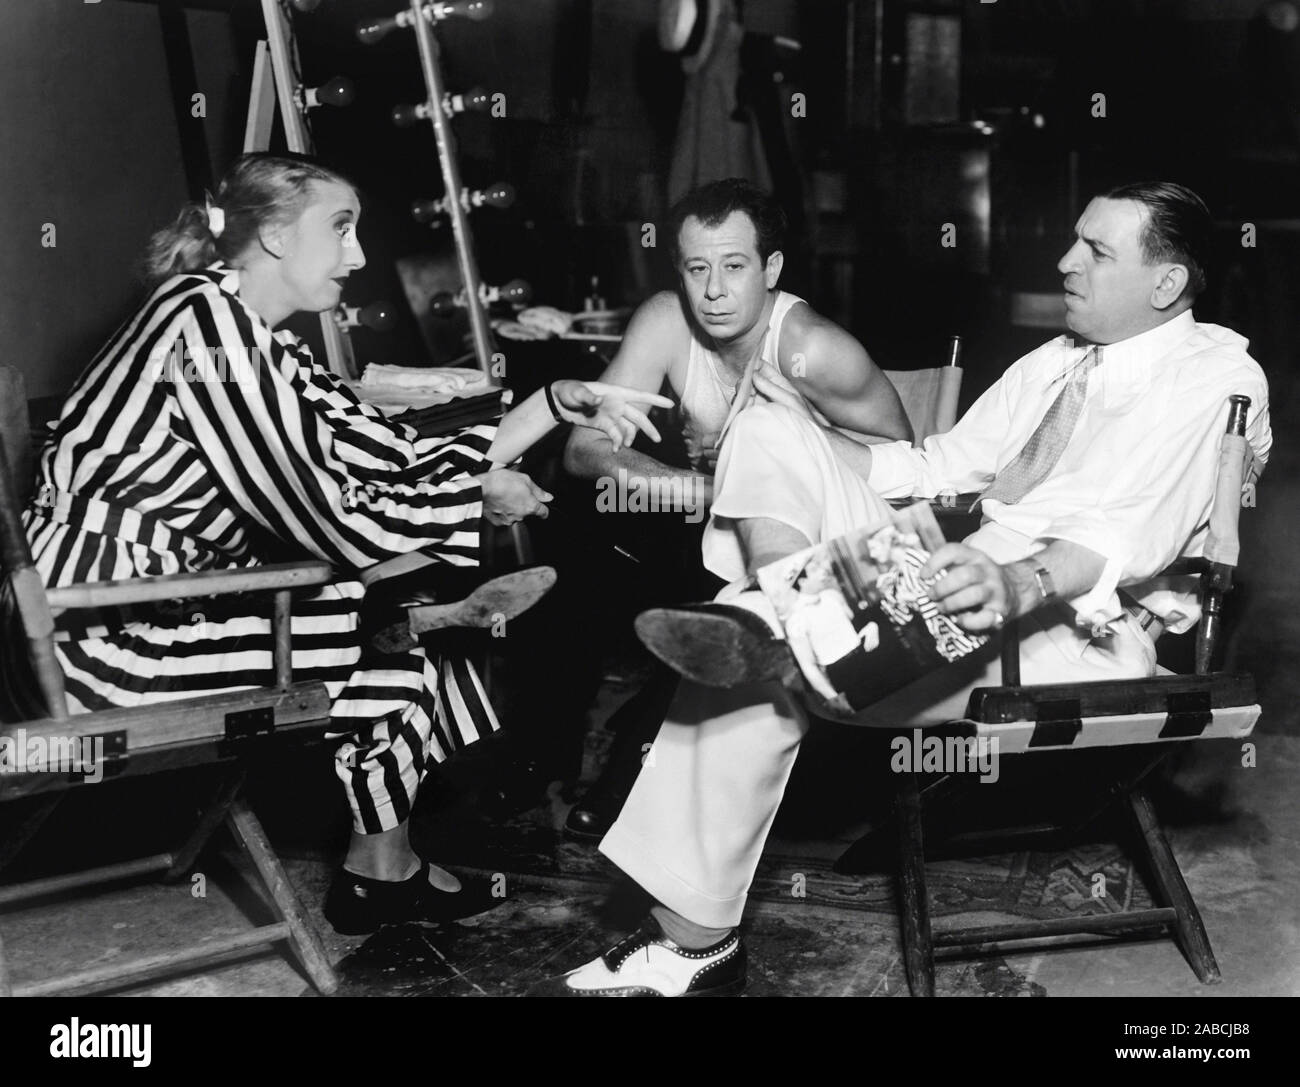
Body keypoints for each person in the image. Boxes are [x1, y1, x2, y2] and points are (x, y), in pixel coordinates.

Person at [541, 181, 1272, 995]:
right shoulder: (1057, 361)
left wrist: (1014, 580)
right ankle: (788, 609)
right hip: (958, 584)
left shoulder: (1215, 377)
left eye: (1095, 251)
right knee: (767, 425)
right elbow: (937, 466)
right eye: (1075, 240)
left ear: (1166, 283)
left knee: (750, 663)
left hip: (1074, 627)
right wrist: (813, 443)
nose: (1065, 262)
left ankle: (694, 940)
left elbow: (1129, 539)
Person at [13, 152, 669, 935]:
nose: (359, 256)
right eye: (342, 228)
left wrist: (555, 403)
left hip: (138, 610)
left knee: (393, 622)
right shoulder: (204, 329)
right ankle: (381, 867)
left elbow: (386, 449)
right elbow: (324, 510)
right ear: (279, 236)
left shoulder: (251, 336)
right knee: (387, 630)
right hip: (103, 637)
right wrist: (476, 499)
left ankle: (384, 864)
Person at [557, 177, 912, 838]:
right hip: (722, 531)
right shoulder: (666, 320)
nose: (714, 290)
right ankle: (543, 748)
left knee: (701, 565)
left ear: (771, 269)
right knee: (579, 526)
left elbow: (904, 475)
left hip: (843, 547)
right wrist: (706, 489)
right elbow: (584, 449)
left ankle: (633, 772)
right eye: (698, 267)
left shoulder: (815, 349)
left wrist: (756, 475)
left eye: (735, 266)